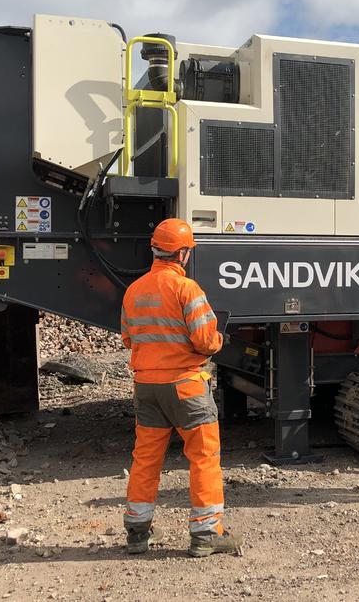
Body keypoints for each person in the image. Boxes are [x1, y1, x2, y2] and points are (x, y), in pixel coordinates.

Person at [120, 217, 242, 557]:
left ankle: (137, 532)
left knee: (145, 458)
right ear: (183, 254)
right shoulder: (187, 289)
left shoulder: (133, 291)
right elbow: (205, 341)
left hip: (147, 386)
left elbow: (129, 338)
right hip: (185, 386)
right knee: (203, 458)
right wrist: (219, 340)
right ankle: (206, 534)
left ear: (155, 250)